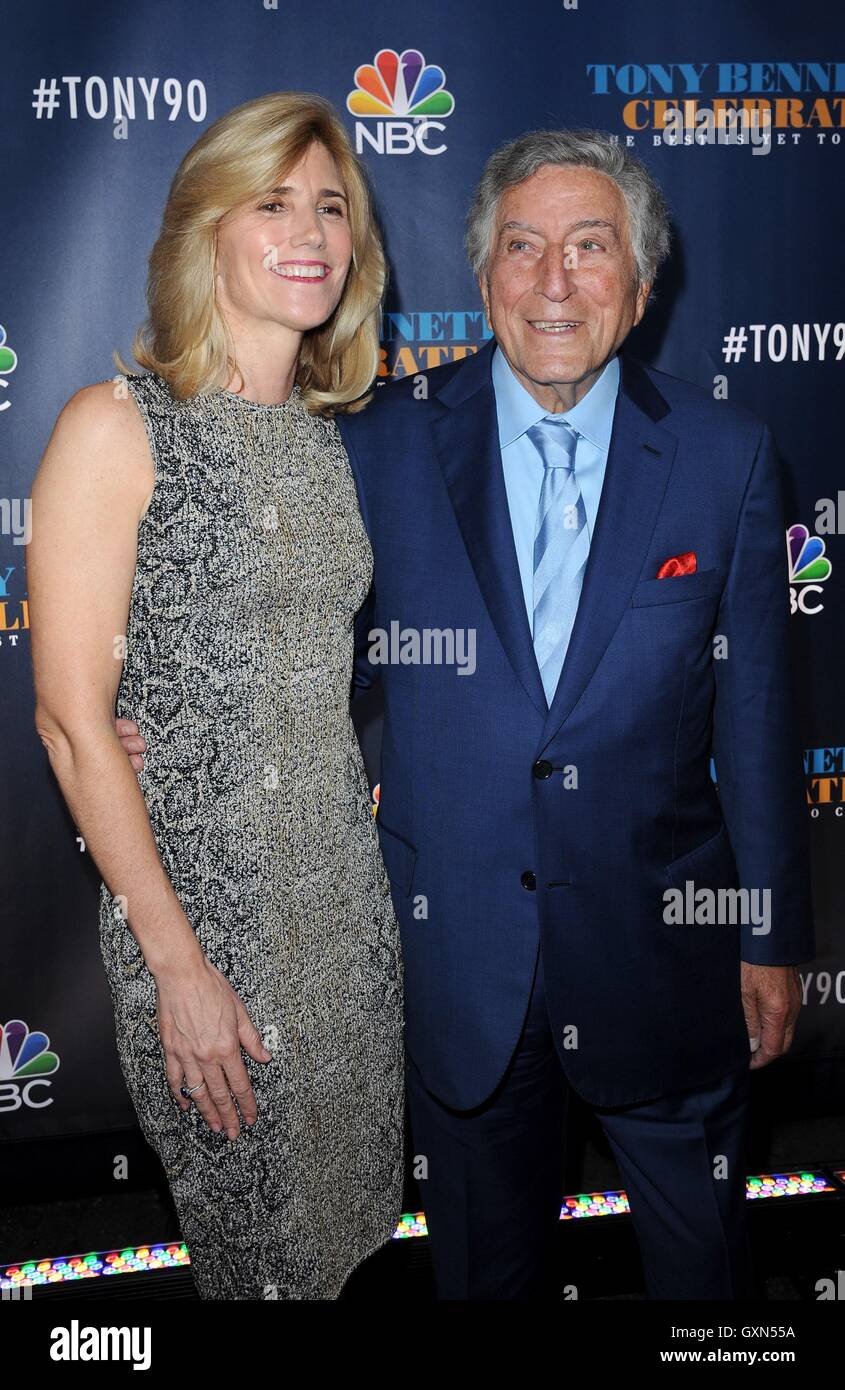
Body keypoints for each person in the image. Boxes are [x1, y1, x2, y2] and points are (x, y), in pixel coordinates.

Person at [120, 127, 814, 1301]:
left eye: (588, 249)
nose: (553, 282)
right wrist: (181, 723)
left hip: (665, 963)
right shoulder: (377, 441)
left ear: (639, 288)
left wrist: (768, 932)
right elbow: (290, 637)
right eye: (521, 247)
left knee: (709, 1287)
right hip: (455, 973)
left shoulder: (726, 454)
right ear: (481, 275)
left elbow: (753, 717)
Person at [27, 91, 404, 1300]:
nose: (309, 231)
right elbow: (72, 720)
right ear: (207, 231)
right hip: (208, 927)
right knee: (264, 1261)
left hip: (341, 911)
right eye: (272, 201)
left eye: (330, 206)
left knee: (346, 1238)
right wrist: (179, 967)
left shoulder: (323, 437)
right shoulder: (113, 428)